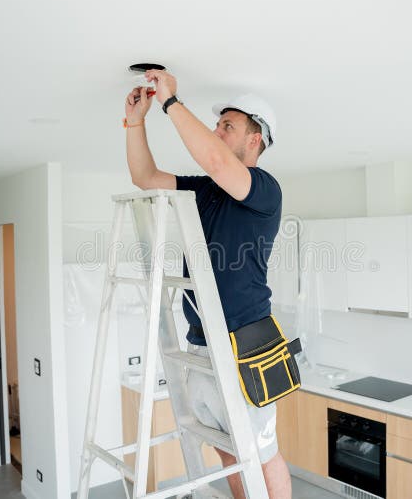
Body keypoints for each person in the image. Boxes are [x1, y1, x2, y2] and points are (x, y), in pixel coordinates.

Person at [124, 69, 291, 499]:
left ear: (255, 140)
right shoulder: (207, 190)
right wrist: (137, 121)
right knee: (230, 452)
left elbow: (216, 160)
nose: (217, 131)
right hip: (201, 341)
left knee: (262, 452)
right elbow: (145, 178)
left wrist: (171, 103)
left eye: (227, 126)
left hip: (245, 343)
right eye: (217, 125)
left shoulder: (264, 190)